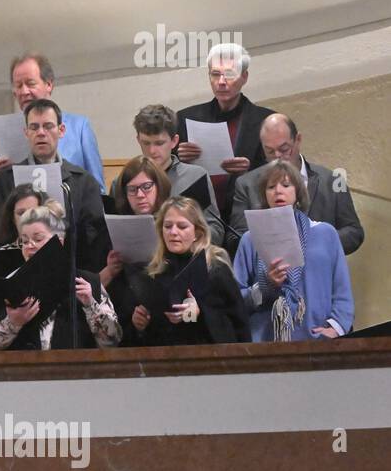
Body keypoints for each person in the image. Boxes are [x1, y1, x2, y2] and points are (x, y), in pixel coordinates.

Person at [0, 99, 110, 271]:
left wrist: (59, 229)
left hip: (69, 273)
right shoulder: (2, 181)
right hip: (18, 272)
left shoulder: (83, 182)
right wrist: (18, 224)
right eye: (34, 127)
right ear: (26, 132)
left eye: (48, 126)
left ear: (61, 130)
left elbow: (95, 237)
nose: (41, 133)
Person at [232, 161, 353, 342]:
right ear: (264, 195)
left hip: (317, 340)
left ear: (298, 193)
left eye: (286, 185)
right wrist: (265, 286)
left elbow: (342, 289)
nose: (278, 191)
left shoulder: (325, 233)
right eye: (271, 187)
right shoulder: (250, 240)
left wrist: (336, 327)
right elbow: (235, 300)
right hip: (266, 342)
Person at [0, 53, 104, 213]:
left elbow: (98, 192)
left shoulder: (79, 126)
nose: (23, 91)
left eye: (30, 83)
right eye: (18, 85)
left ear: (49, 84)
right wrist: (0, 176)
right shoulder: (1, 132)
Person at [0, 202, 121, 351]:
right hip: (24, 371)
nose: (30, 245)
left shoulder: (87, 282)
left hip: (75, 371)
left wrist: (90, 305)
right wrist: (13, 322)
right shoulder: (12, 284)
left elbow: (112, 341)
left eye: (38, 238)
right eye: (25, 241)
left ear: (59, 242)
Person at [115, 197, 249, 346]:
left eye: (182, 226)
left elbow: (238, 324)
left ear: (197, 233)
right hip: (162, 359)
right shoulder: (151, 272)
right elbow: (131, 337)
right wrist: (139, 326)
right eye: (167, 226)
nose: (173, 232)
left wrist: (199, 313)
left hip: (206, 359)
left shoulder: (215, 269)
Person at [230, 114, 363, 255]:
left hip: (320, 269)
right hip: (269, 272)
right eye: (269, 151)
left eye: (284, 149)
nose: (277, 156)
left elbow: (354, 232)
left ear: (298, 140)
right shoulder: (247, 184)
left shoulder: (333, 180)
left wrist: (318, 242)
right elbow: (235, 237)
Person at [176, 43, 275, 219]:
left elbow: (281, 173)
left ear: (244, 77)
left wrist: (250, 171)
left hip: (248, 216)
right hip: (198, 217)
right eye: (215, 74)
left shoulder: (266, 121)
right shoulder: (184, 118)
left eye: (230, 74)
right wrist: (178, 157)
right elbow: (166, 171)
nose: (221, 82)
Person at [122, 104, 225, 245]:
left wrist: (188, 236)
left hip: (186, 259)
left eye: (159, 143)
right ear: (138, 140)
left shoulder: (195, 177)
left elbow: (216, 230)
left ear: (174, 141)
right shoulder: (126, 180)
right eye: (146, 143)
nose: (152, 151)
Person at [98, 157, 171, 292]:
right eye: (132, 189)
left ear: (159, 186)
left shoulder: (173, 224)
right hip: (125, 299)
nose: (140, 195)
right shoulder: (112, 228)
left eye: (147, 187)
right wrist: (111, 269)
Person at [0, 185, 49, 253]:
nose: (26, 217)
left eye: (33, 212)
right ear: (12, 218)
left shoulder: (56, 249)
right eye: (21, 213)